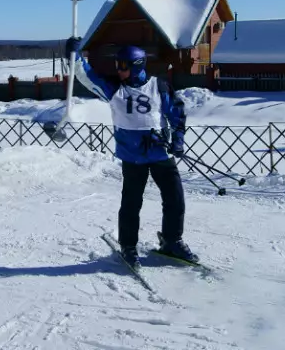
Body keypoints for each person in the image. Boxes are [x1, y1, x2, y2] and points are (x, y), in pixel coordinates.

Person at [65, 37, 197, 268]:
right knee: (131, 204)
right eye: (117, 65)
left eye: (123, 66)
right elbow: (87, 76)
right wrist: (74, 57)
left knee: (175, 199)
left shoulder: (159, 86)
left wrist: (178, 140)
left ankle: (172, 241)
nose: (119, 70)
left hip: (160, 153)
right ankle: (128, 246)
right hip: (132, 157)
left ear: (137, 65)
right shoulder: (114, 88)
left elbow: (177, 113)